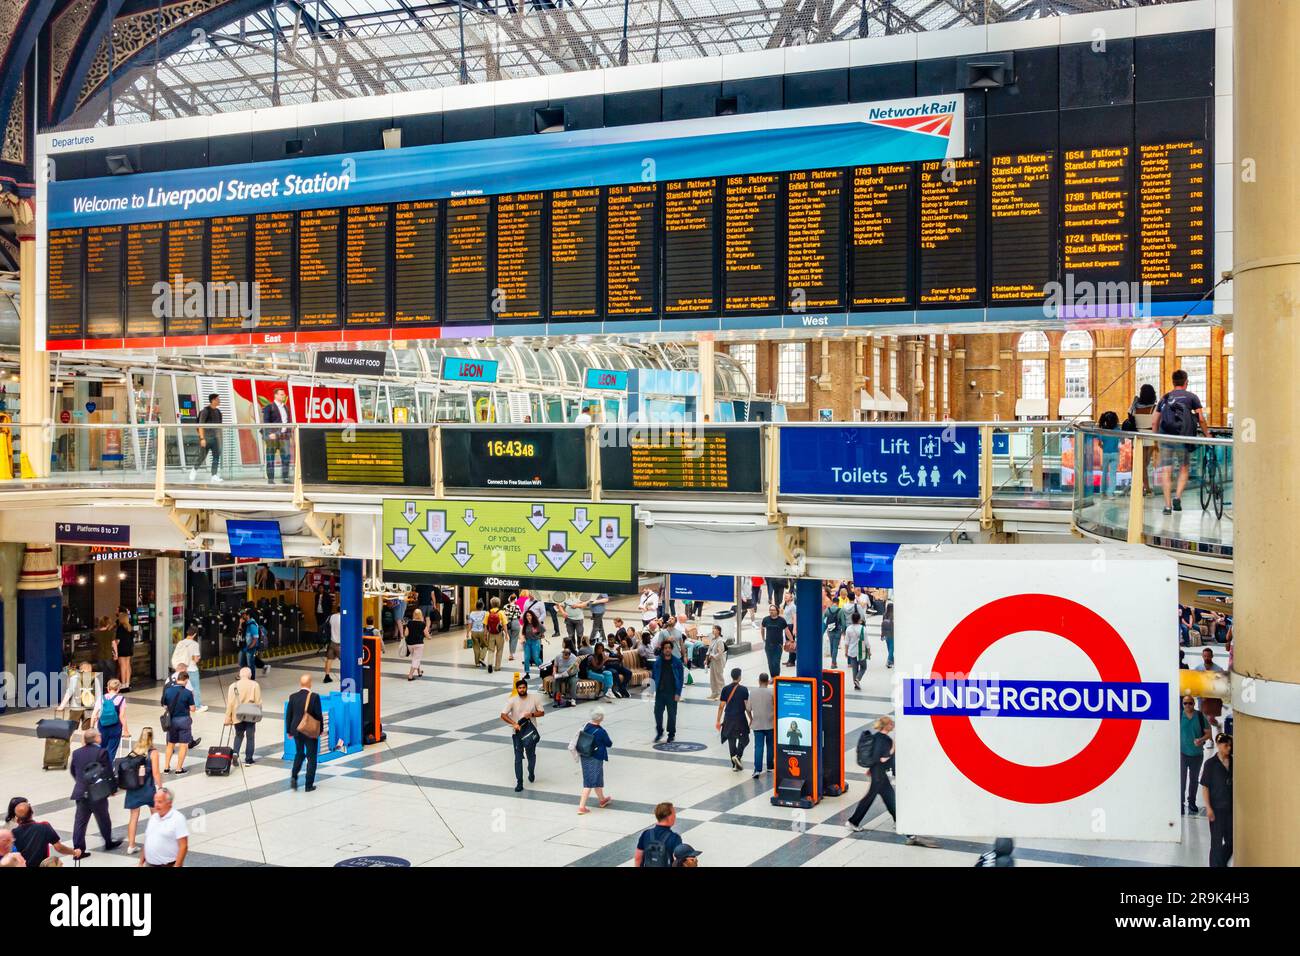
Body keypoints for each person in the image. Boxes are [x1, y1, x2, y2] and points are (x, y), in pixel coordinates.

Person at [1155, 369, 1207, 515]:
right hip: (1183, 437)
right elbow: (1201, 419)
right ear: (1186, 382)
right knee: (1184, 467)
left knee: (1166, 470)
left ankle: (1167, 506)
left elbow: (1155, 422)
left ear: (1173, 382)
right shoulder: (1192, 397)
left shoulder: (1165, 398)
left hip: (1165, 438)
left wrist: (1156, 439)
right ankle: (1177, 496)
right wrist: (1207, 433)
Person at [70, 728, 121, 856]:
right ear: (95, 739)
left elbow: (73, 770)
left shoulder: (76, 753)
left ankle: (78, 849)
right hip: (97, 793)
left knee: (80, 822)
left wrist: (81, 782)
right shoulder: (101, 752)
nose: (100, 736)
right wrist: (112, 789)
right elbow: (108, 772)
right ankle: (108, 841)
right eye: (99, 735)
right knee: (103, 819)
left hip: (81, 792)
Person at [121, 726, 164, 854]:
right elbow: (156, 773)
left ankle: (131, 845)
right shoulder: (153, 753)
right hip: (148, 786)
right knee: (155, 816)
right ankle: (156, 842)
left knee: (133, 816)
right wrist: (160, 787)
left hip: (134, 787)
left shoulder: (135, 750)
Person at [501, 677, 545, 793]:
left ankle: (531, 771)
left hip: (530, 731)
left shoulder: (534, 698)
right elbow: (503, 715)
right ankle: (519, 782)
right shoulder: (512, 700)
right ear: (517, 689)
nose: (522, 689)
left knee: (531, 756)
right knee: (517, 758)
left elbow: (542, 712)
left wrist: (531, 714)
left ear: (526, 688)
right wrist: (514, 723)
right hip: (517, 733)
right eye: (520, 688)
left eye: (524, 687)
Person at [7, 799, 81, 867]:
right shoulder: (44, 826)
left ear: (17, 818)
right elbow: (59, 848)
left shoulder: (14, 833)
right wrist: (74, 852)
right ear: (32, 813)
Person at [1199, 732, 1233, 867]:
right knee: (1216, 843)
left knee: (1231, 841)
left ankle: (1221, 864)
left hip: (1230, 809)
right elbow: (1205, 787)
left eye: (1230, 745)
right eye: (1226, 745)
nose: (1229, 748)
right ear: (1218, 745)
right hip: (1216, 809)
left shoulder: (1234, 762)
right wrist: (1208, 807)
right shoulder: (1210, 764)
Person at [286, 674, 324, 792]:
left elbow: (289, 715)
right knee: (311, 757)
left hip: (296, 730)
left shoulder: (292, 697)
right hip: (309, 731)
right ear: (310, 683)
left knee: (299, 753)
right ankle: (308, 785)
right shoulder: (314, 697)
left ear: (301, 684)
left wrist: (289, 731)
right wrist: (320, 730)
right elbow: (318, 716)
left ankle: (294, 776)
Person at [576, 707, 614, 814]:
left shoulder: (586, 726)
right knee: (589, 782)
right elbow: (609, 743)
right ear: (601, 718)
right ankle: (582, 807)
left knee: (596, 778)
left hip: (585, 755)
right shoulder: (601, 731)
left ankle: (602, 800)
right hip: (596, 757)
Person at [224, 666, 263, 767]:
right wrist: (259, 713)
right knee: (250, 737)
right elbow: (258, 702)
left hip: (238, 714)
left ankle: (235, 753)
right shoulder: (255, 685)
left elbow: (230, 703)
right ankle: (249, 760)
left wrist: (228, 717)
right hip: (251, 714)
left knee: (239, 735)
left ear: (240, 675)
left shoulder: (233, 686)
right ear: (250, 675)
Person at [1179, 695, 1212, 815]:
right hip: (1182, 754)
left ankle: (1191, 802)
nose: (1187, 706)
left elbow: (1208, 733)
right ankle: (1180, 804)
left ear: (1194, 704)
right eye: (1185, 703)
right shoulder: (1179, 716)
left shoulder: (1199, 716)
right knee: (1181, 780)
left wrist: (1200, 739)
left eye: (1190, 703)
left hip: (1197, 754)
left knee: (1194, 780)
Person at [139, 788, 187, 867]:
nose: (156, 805)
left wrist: (177, 865)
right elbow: (147, 840)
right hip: (149, 864)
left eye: (160, 802)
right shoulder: (153, 817)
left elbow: (183, 846)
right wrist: (141, 863)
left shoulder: (178, 818)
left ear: (169, 803)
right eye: (155, 801)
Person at [1126, 381, 1159, 493]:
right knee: (1145, 464)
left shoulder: (1135, 407)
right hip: (1150, 436)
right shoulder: (1155, 408)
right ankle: (1146, 487)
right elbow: (1157, 423)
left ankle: (1142, 486)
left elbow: (1129, 416)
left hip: (1137, 436)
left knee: (1141, 464)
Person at [161, 670, 196, 774]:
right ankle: (179, 769)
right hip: (184, 720)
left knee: (170, 744)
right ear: (185, 680)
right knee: (183, 745)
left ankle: (166, 768)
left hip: (171, 721)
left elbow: (164, 705)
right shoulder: (188, 693)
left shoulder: (168, 691)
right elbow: (193, 709)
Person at [716, 668, 750, 771]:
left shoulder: (725, 689)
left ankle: (734, 765)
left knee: (731, 739)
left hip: (728, 718)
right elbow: (746, 707)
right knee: (745, 738)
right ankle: (738, 757)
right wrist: (751, 718)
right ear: (739, 676)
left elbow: (721, 706)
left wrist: (718, 720)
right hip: (740, 718)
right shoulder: (744, 689)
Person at [651, 639, 684, 743]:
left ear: (672, 649)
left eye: (669, 648)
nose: (667, 650)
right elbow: (653, 676)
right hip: (660, 692)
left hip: (672, 692)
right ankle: (659, 732)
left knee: (672, 714)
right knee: (657, 713)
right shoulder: (658, 662)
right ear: (662, 649)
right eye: (665, 648)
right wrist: (652, 690)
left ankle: (671, 734)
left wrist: (678, 693)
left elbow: (681, 678)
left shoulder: (677, 662)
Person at [634, 802, 683, 867]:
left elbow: (638, 858)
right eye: (674, 814)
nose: (675, 816)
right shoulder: (675, 838)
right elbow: (679, 862)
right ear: (669, 816)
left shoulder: (646, 834)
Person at [190, 392, 224, 482]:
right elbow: (201, 425)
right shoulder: (205, 411)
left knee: (216, 456)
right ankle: (194, 469)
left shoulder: (218, 412)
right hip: (206, 438)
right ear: (213, 400)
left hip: (215, 438)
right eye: (217, 399)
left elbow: (219, 426)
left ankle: (214, 475)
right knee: (202, 456)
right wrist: (202, 438)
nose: (219, 401)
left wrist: (220, 438)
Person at [261, 385, 292, 484]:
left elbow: (287, 421)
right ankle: (271, 479)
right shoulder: (269, 407)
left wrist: (288, 432)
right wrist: (270, 433)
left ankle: (285, 477)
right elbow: (266, 422)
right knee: (270, 457)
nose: (283, 396)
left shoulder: (285, 407)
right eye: (281, 394)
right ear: (276, 395)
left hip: (284, 436)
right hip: (273, 436)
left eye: (284, 394)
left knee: (286, 457)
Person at [748, 673, 775, 778]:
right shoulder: (772, 692)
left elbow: (748, 708)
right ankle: (769, 766)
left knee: (758, 747)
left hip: (757, 723)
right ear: (768, 681)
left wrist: (751, 718)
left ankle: (757, 769)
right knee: (770, 746)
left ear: (759, 681)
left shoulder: (753, 693)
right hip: (770, 723)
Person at [171, 626, 204, 711]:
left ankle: (185, 704)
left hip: (181, 669)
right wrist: (195, 658)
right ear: (195, 634)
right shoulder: (195, 644)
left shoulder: (180, 643)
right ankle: (197, 705)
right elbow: (196, 659)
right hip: (192, 669)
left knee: (184, 688)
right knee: (195, 688)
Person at [95, 677, 128, 760]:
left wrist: (92, 727)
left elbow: (94, 714)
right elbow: (122, 716)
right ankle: (108, 768)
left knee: (101, 747)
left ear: (108, 688)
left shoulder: (101, 698)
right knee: (112, 750)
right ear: (118, 689)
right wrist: (125, 730)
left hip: (102, 726)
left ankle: (99, 766)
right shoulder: (121, 699)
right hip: (115, 727)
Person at [760, 604, 790, 680]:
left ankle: (777, 677)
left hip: (778, 645)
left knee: (776, 662)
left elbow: (787, 631)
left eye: (773, 610)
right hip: (768, 645)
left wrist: (791, 640)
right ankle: (773, 677)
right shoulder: (765, 619)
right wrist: (763, 638)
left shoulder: (781, 620)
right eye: (770, 610)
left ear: (777, 611)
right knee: (770, 662)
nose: (771, 612)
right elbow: (762, 629)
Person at [1198, 647, 1224, 732]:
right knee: (1205, 720)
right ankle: (1211, 737)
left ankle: (1214, 733)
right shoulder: (1198, 669)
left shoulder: (1218, 669)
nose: (1206, 658)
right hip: (1202, 699)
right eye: (1205, 656)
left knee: (1209, 719)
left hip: (1213, 699)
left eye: (1208, 656)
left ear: (1212, 656)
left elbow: (1222, 684)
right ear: (1202, 656)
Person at [1096, 411, 1122, 497]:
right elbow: (1123, 441)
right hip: (1115, 453)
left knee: (1104, 473)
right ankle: (1111, 492)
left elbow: (1099, 444)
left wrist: (1105, 448)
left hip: (1105, 454)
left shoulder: (1102, 431)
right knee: (1113, 474)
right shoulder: (1118, 430)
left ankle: (1102, 491)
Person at [842, 612, 869, 690]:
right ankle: (858, 679)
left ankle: (856, 684)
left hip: (852, 651)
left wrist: (846, 651)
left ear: (852, 619)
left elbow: (846, 642)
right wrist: (869, 650)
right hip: (861, 651)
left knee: (854, 668)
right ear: (859, 619)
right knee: (864, 667)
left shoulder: (849, 629)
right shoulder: (863, 628)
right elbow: (866, 642)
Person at [113, 609, 135, 692]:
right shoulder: (130, 628)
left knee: (122, 667)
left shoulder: (120, 628)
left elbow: (118, 640)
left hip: (122, 648)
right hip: (129, 648)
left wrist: (114, 643)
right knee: (127, 666)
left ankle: (123, 685)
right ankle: (127, 684)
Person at [520, 609, 545, 678]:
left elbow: (543, 630)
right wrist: (522, 640)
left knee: (536, 658)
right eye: (527, 615)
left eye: (530, 615)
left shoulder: (537, 624)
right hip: (527, 642)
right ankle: (527, 673)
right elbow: (523, 633)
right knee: (526, 658)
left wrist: (539, 635)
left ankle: (542, 669)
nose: (529, 617)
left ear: (533, 616)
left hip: (535, 642)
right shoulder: (525, 624)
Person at [823, 599, 847, 669]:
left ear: (832, 602)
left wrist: (825, 628)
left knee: (831, 645)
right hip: (837, 630)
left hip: (830, 630)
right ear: (838, 603)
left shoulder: (828, 610)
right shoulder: (841, 610)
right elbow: (843, 622)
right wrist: (843, 631)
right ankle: (833, 662)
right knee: (835, 647)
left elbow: (823, 619)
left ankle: (833, 661)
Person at [485, 597, 507, 672]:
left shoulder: (488, 613)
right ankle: (497, 667)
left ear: (491, 604)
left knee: (491, 650)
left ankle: (490, 664)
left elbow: (485, 625)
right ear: (499, 604)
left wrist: (485, 635)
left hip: (491, 634)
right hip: (499, 634)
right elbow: (504, 625)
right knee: (499, 650)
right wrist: (506, 634)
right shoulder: (501, 613)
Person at [705, 625, 728, 699]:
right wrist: (706, 659)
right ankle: (714, 692)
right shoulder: (713, 639)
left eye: (714, 629)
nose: (713, 630)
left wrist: (714, 656)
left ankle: (721, 693)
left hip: (718, 662)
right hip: (712, 662)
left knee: (719, 677)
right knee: (713, 678)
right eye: (712, 629)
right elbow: (709, 650)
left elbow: (720, 653)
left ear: (718, 631)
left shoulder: (720, 641)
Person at [404, 608, 427, 680]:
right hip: (419, 644)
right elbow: (426, 634)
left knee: (415, 658)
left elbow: (406, 634)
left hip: (410, 644)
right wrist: (429, 637)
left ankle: (419, 672)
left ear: (414, 615)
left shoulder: (409, 623)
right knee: (416, 659)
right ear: (421, 615)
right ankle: (410, 676)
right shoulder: (423, 624)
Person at [467, 599, 488, 670]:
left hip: (474, 632)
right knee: (485, 646)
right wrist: (486, 632)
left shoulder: (472, 613)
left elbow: (469, 624)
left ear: (476, 606)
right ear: (483, 606)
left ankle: (477, 663)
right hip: (482, 631)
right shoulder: (485, 613)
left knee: (476, 647)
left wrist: (467, 633)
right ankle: (481, 658)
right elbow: (486, 624)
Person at [238, 609, 260, 675]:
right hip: (244, 646)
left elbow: (255, 638)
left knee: (250, 664)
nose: (242, 616)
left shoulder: (252, 625)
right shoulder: (245, 624)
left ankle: (252, 679)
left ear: (248, 615)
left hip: (250, 647)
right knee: (241, 663)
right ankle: (243, 676)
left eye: (243, 615)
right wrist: (240, 623)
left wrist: (250, 647)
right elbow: (239, 632)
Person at [323, 604, 342, 683]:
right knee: (344, 661)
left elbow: (327, 626)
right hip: (340, 643)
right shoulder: (344, 618)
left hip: (331, 642)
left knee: (329, 659)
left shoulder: (331, 617)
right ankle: (343, 676)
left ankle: (327, 677)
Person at [503, 592, 522, 662]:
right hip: (515, 622)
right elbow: (520, 616)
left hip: (508, 623)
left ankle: (511, 653)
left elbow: (504, 616)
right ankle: (512, 654)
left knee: (510, 638)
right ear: (515, 599)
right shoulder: (517, 607)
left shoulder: (505, 606)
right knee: (514, 639)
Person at [782, 593, 798, 666]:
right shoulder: (786, 606)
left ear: (791, 598)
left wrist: (794, 628)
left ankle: (792, 661)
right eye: (785, 596)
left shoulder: (793, 606)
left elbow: (794, 617)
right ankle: (789, 659)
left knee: (792, 643)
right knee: (788, 643)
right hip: (787, 626)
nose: (785, 597)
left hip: (791, 626)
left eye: (787, 596)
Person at [881, 602, 895, 669]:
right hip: (892, 633)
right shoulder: (894, 615)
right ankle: (889, 661)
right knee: (891, 648)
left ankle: (892, 660)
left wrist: (882, 634)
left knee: (889, 648)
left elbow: (882, 625)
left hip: (886, 633)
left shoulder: (884, 615)